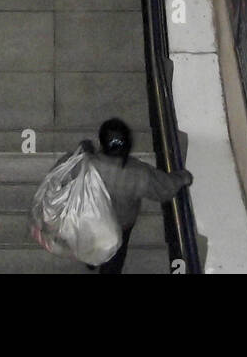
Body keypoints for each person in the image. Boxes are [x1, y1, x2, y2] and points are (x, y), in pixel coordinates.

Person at [82, 118, 192, 275]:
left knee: (90, 242)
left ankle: (90, 261)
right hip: (121, 225)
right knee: (115, 258)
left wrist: (84, 151)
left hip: (91, 219)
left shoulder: (86, 164)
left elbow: (61, 175)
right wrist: (184, 177)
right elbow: (165, 188)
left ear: (101, 143)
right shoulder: (139, 173)